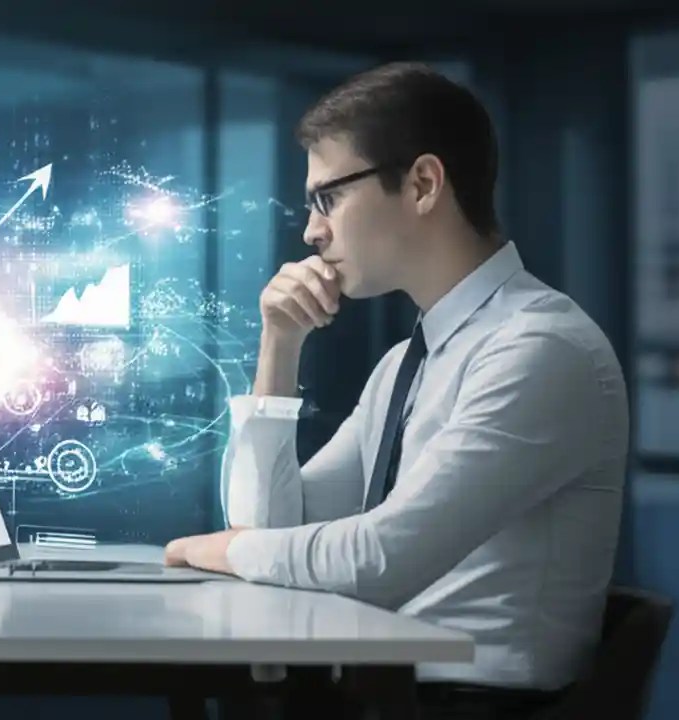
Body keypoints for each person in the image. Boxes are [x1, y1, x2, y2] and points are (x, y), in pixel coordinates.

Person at [163, 62, 629, 718]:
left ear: (422, 184)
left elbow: (379, 560)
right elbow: (272, 529)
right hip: (384, 697)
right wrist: (280, 345)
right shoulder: (405, 365)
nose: (311, 232)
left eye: (329, 197)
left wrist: (219, 549)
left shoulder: (537, 349)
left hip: (473, 707)